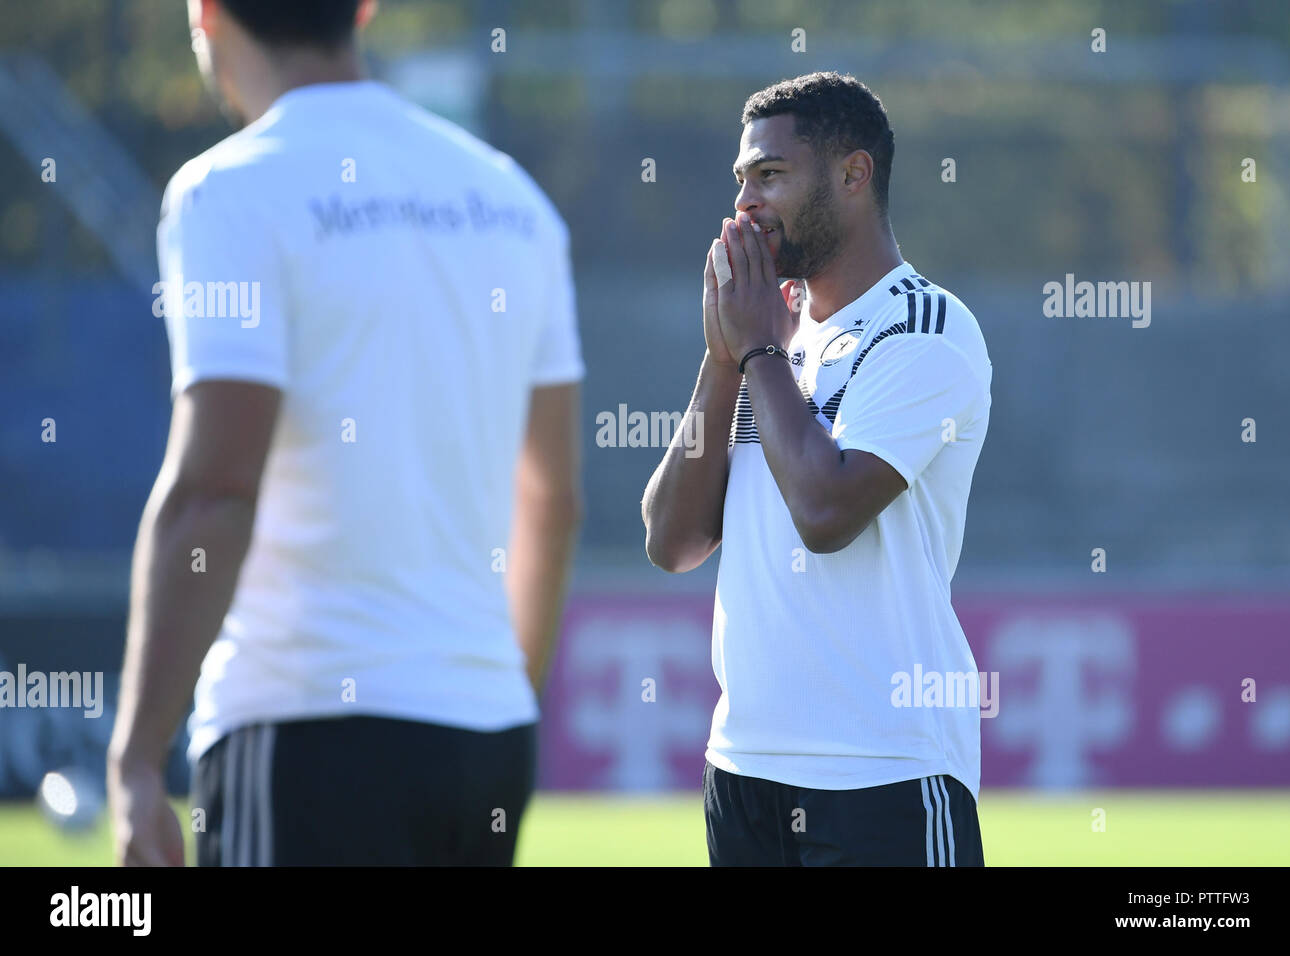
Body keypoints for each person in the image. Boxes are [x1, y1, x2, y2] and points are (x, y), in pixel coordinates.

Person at [108, 0, 583, 866]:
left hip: (304, 730)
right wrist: (494, 691)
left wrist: (137, 760)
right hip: (484, 742)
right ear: (363, 9)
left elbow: (216, 489)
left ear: (205, 15)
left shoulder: (230, 189)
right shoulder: (515, 201)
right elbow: (551, 500)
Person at [642, 71, 992, 866]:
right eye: (741, 180)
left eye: (770, 175)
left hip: (884, 774)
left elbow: (827, 514)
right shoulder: (772, 337)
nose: (745, 205)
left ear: (852, 174)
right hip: (744, 772)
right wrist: (722, 357)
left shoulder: (926, 329)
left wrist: (759, 348)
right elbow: (672, 541)